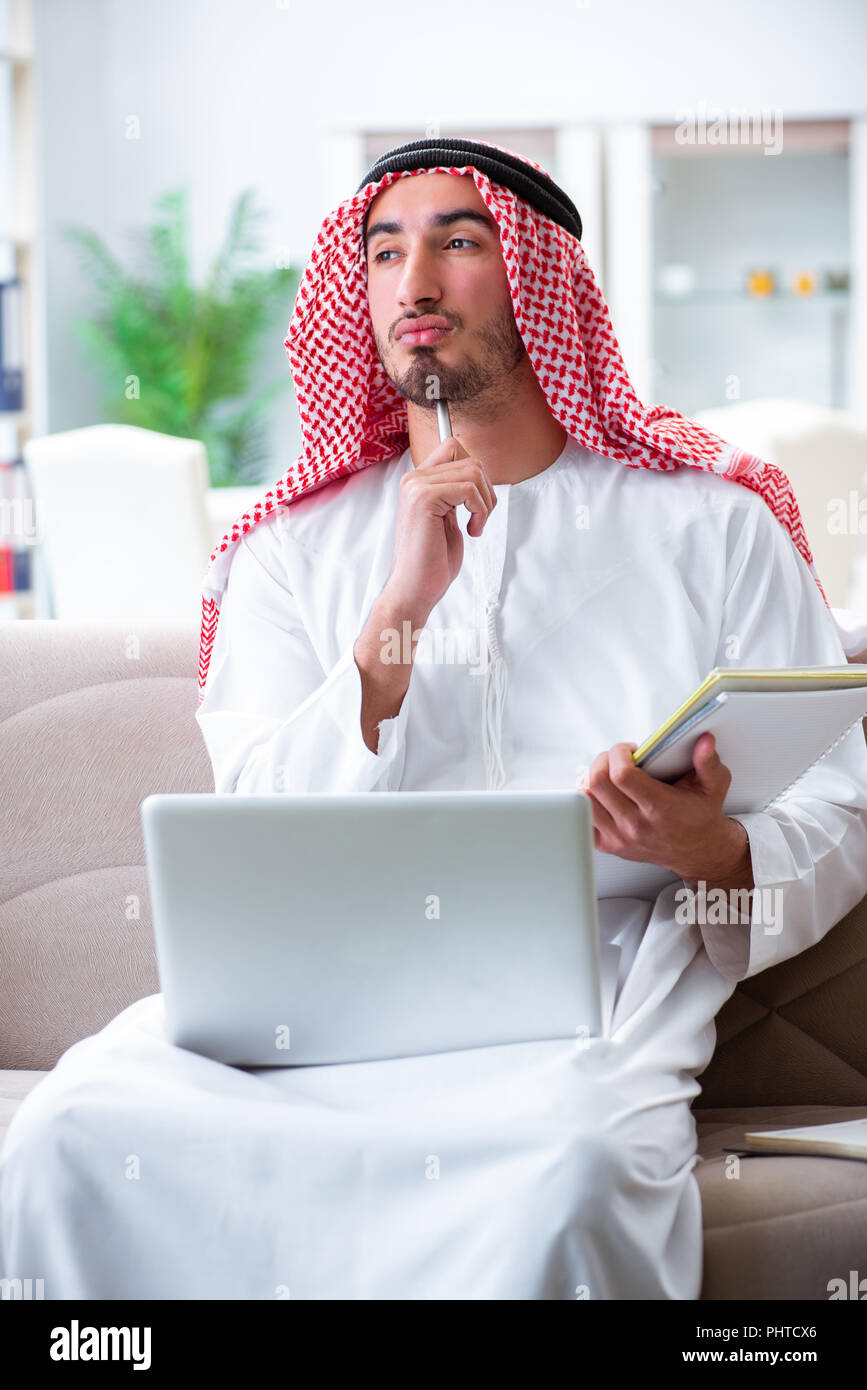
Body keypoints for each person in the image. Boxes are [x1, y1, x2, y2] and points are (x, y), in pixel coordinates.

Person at [2, 138, 867, 1301]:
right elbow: (255, 827)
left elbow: (839, 792)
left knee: (575, 1173)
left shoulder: (711, 525)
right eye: (386, 249)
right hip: (303, 998)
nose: (415, 283)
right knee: (69, 1132)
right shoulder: (287, 550)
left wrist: (721, 851)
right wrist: (393, 623)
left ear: (537, 278)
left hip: (589, 1003)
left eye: (459, 242)